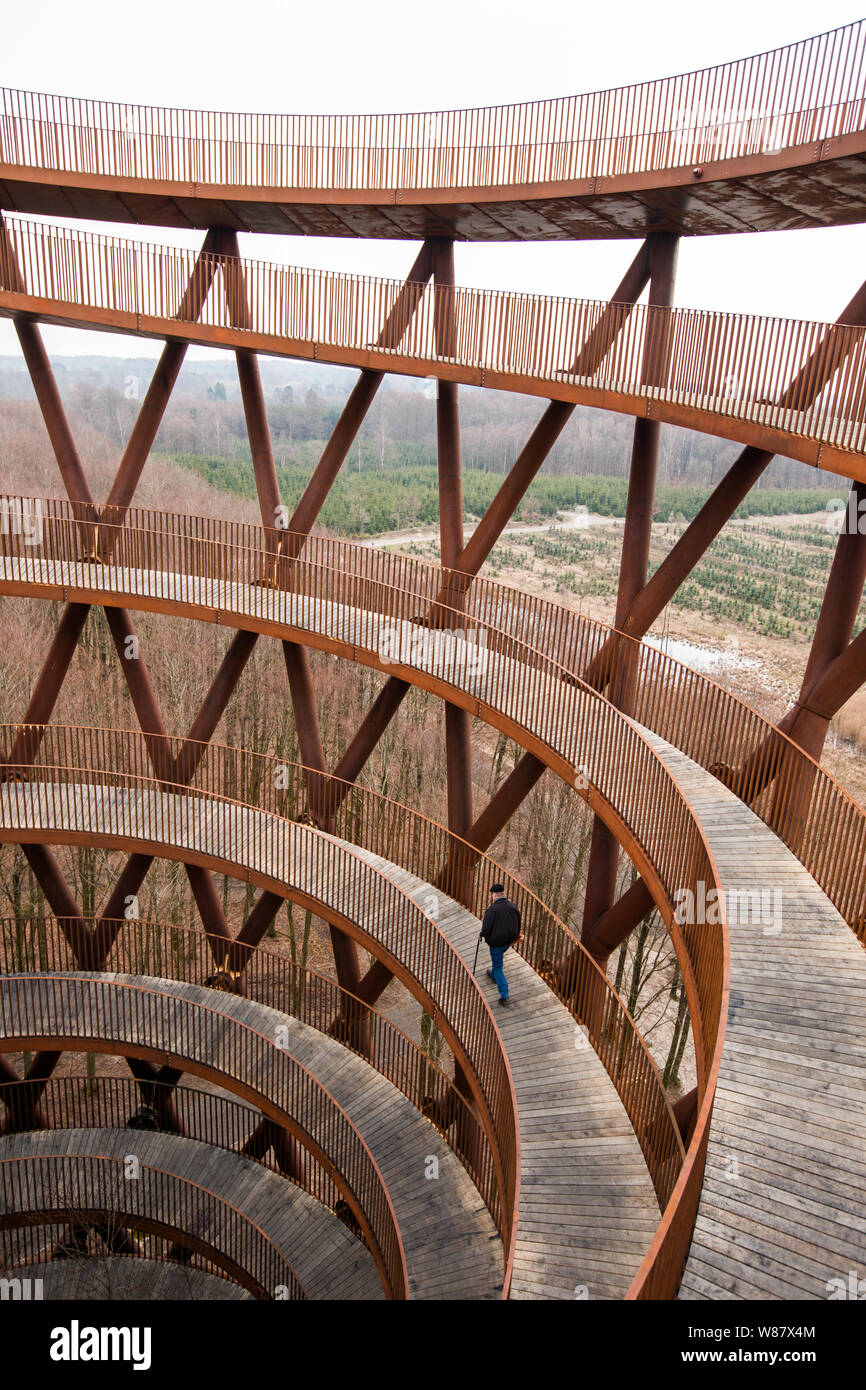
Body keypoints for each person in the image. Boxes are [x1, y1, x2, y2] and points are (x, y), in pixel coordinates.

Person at [480, 882, 521, 1007]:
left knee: (498, 967)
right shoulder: (513, 907)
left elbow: (486, 927)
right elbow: (518, 924)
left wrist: (482, 934)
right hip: (509, 941)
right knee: (497, 960)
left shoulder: (493, 910)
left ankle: (504, 995)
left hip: (497, 943)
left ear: (494, 895)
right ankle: (493, 974)